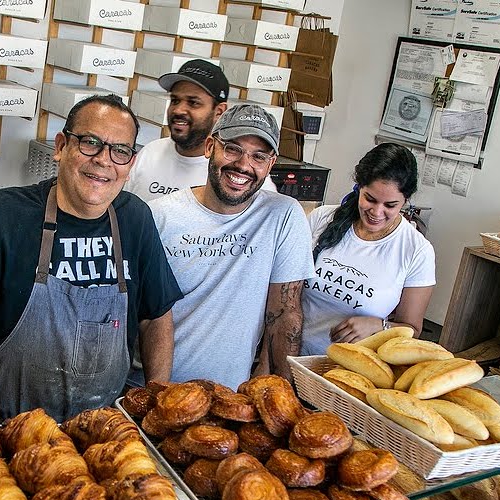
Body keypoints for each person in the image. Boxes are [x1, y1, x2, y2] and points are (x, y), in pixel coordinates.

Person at [0, 94, 182, 424]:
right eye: (90, 143)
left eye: (120, 151)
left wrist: (158, 410)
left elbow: (156, 318)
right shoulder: (4, 214)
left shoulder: (135, 219)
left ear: (130, 164)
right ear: (61, 146)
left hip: (100, 437)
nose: (103, 160)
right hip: (5, 431)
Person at [129, 103, 313, 391]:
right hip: (150, 391)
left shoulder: (283, 215)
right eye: (232, 149)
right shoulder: (158, 216)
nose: (243, 165)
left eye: (258, 156)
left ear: (271, 164)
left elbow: (284, 313)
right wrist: (157, 396)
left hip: (228, 400)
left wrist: (279, 395)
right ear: (209, 147)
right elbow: (136, 314)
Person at [301, 142, 435, 353]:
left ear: (405, 201)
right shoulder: (322, 218)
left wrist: (378, 326)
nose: (377, 212)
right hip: (288, 353)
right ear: (359, 188)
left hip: (347, 369)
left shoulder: (416, 251)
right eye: (370, 199)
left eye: (390, 205)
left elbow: (411, 330)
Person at [123, 59, 275, 202]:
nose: (179, 110)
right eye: (175, 100)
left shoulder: (239, 173)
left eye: (193, 103)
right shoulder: (149, 153)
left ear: (219, 111)